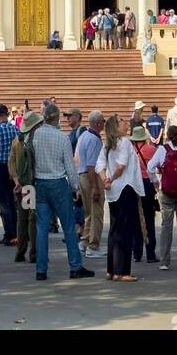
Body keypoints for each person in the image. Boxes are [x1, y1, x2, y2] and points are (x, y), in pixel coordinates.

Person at [32, 102, 94, 281]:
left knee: (42, 227)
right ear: (56, 118)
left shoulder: (35, 135)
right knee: (68, 226)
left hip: (40, 183)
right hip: (58, 183)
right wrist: (76, 188)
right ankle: (75, 265)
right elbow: (69, 166)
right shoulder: (62, 138)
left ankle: (41, 269)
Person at [96, 114, 143, 281]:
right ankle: (122, 271)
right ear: (116, 126)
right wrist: (112, 178)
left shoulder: (108, 144)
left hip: (113, 190)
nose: (125, 123)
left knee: (115, 230)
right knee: (125, 230)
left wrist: (105, 180)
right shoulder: (124, 142)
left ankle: (112, 269)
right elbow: (122, 166)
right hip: (125, 187)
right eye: (122, 121)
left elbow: (99, 165)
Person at [10, 110, 42, 263]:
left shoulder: (16, 141)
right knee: (32, 219)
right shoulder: (34, 142)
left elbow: (11, 163)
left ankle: (20, 251)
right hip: (31, 184)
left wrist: (16, 181)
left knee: (21, 219)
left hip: (20, 184)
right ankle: (34, 253)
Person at [75, 109, 106, 258]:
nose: (104, 123)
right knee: (97, 212)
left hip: (82, 175)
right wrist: (95, 187)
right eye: (103, 121)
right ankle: (93, 246)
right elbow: (92, 165)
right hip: (90, 176)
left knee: (88, 212)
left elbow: (78, 159)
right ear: (98, 123)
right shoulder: (94, 139)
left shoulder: (84, 136)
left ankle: (85, 241)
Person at [0, 103, 18, 245]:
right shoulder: (14, 129)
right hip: (13, 168)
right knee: (12, 201)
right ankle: (16, 232)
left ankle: (9, 234)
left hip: (0, 167)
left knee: (3, 202)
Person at [131, 125, 159, 264]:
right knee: (149, 219)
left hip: (134, 184)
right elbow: (157, 167)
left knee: (136, 219)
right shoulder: (152, 149)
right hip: (148, 184)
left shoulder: (130, 150)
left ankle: (136, 253)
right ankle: (150, 253)